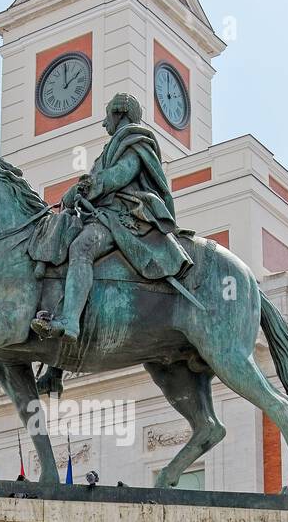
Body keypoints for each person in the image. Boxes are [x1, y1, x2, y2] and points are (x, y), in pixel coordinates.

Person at [29, 92, 193, 342]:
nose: (104, 124)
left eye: (107, 117)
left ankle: (70, 321)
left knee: (82, 247)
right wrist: (77, 192)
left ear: (119, 114)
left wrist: (90, 185)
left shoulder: (135, 141)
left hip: (123, 214)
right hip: (102, 212)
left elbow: (121, 174)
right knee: (60, 231)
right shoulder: (114, 146)